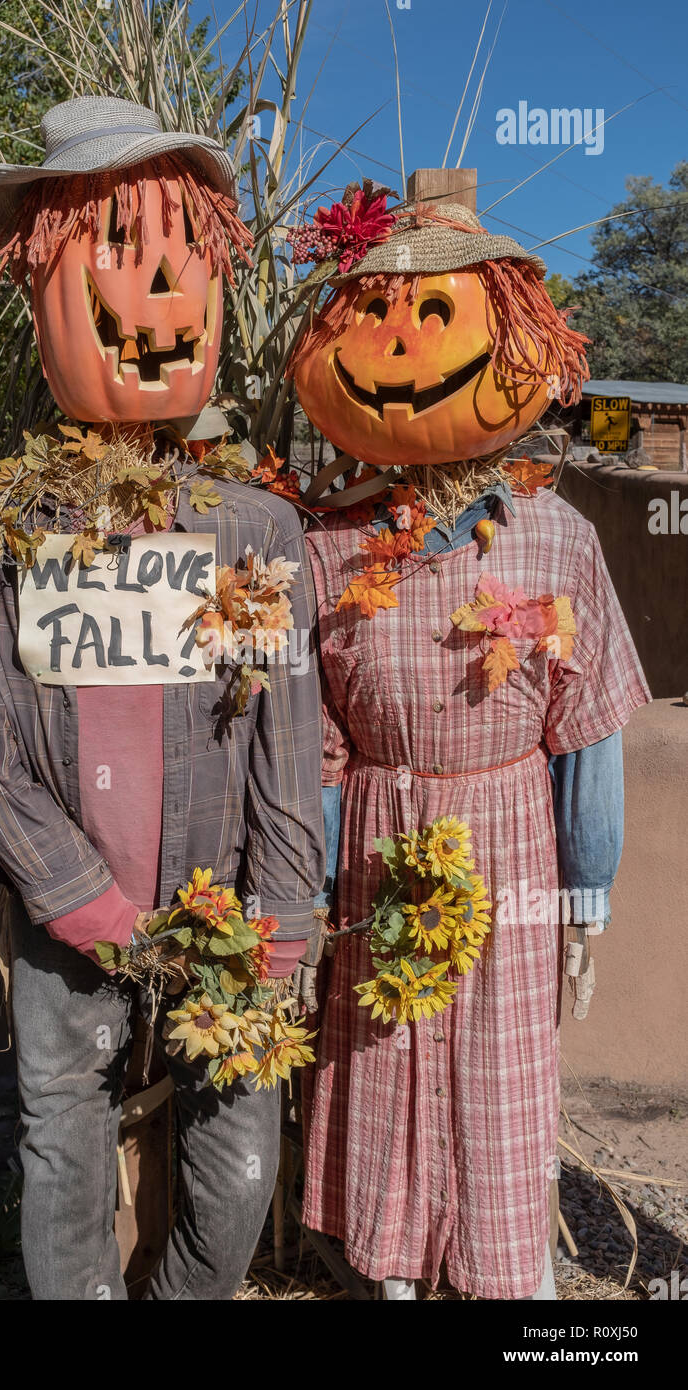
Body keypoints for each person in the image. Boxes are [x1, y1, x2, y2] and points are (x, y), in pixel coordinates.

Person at [0, 96, 324, 1300]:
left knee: (235, 1153)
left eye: (181, 250)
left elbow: (283, 732)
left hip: (222, 905)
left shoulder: (253, 528)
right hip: (74, 915)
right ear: (44, 287)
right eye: (115, 243)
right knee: (62, 1131)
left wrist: (285, 906)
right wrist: (79, 898)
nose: (155, 283)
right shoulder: (1, 541)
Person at [288, 196, 651, 1299]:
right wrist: (309, 888)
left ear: (511, 331)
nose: (402, 344)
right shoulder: (326, 548)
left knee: (498, 1066)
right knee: (384, 1059)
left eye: (434, 311)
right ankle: (394, 1271)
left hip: (508, 840)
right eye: (374, 311)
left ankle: (509, 1280)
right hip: (379, 842)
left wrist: (584, 893)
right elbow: (312, 744)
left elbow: (585, 729)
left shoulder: (555, 535)